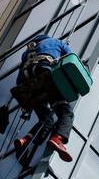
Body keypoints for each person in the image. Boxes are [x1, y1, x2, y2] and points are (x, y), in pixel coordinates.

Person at [11, 33, 75, 165]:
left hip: (28, 85)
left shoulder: (28, 51)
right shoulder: (57, 42)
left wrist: (25, 101)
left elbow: (19, 77)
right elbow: (70, 59)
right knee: (65, 111)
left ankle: (25, 140)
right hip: (46, 76)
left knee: (47, 119)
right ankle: (58, 138)